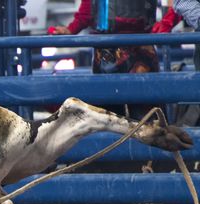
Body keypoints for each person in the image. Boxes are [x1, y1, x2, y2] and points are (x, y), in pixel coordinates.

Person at [48, 0, 182, 119]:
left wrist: (167, 22)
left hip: (137, 49)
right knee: (109, 117)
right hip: (106, 51)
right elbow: (88, 10)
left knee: (146, 117)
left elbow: (182, 4)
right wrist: (70, 29)